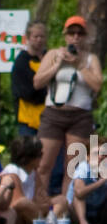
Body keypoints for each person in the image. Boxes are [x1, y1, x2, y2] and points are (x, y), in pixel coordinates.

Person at [33, 16, 103, 197]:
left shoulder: (90, 59)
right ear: (65, 36)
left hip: (79, 117)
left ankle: (66, 212)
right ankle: (40, 209)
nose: (76, 37)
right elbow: (37, 82)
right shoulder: (53, 54)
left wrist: (79, 65)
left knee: (72, 166)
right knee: (43, 164)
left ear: (85, 37)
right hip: (53, 115)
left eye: (80, 33)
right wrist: (57, 65)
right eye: (72, 33)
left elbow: (97, 85)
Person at [0, 136, 68, 224]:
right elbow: (17, 203)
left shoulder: (33, 172)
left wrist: (42, 205)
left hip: (34, 211)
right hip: (16, 216)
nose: (42, 157)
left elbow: (44, 199)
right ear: (29, 157)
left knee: (61, 200)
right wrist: (40, 205)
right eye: (40, 154)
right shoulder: (12, 171)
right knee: (24, 203)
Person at [10, 21, 48, 137]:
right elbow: (25, 91)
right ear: (28, 38)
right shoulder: (22, 61)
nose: (39, 40)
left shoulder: (50, 58)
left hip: (49, 119)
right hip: (28, 120)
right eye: (36, 36)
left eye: (42, 36)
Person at [65, 140, 107, 224]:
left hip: (97, 211)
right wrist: (101, 182)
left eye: (104, 154)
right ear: (87, 157)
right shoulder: (83, 168)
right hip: (75, 212)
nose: (100, 156)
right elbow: (79, 193)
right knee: (79, 195)